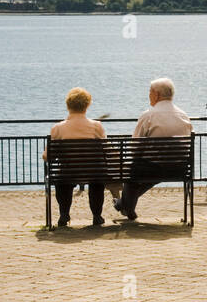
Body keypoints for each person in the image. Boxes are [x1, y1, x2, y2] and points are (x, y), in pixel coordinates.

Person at [115, 77, 193, 220]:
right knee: (148, 172)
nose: (149, 95)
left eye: (150, 92)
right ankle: (124, 204)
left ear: (157, 94)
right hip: (179, 169)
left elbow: (134, 146)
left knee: (134, 170)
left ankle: (126, 205)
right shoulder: (184, 116)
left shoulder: (148, 115)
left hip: (151, 168)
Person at [43, 87, 108, 227]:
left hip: (68, 173)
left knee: (62, 181)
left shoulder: (58, 128)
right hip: (93, 172)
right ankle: (97, 215)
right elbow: (106, 149)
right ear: (87, 105)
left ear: (68, 106)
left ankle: (64, 214)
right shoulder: (96, 126)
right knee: (97, 181)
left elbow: (47, 156)